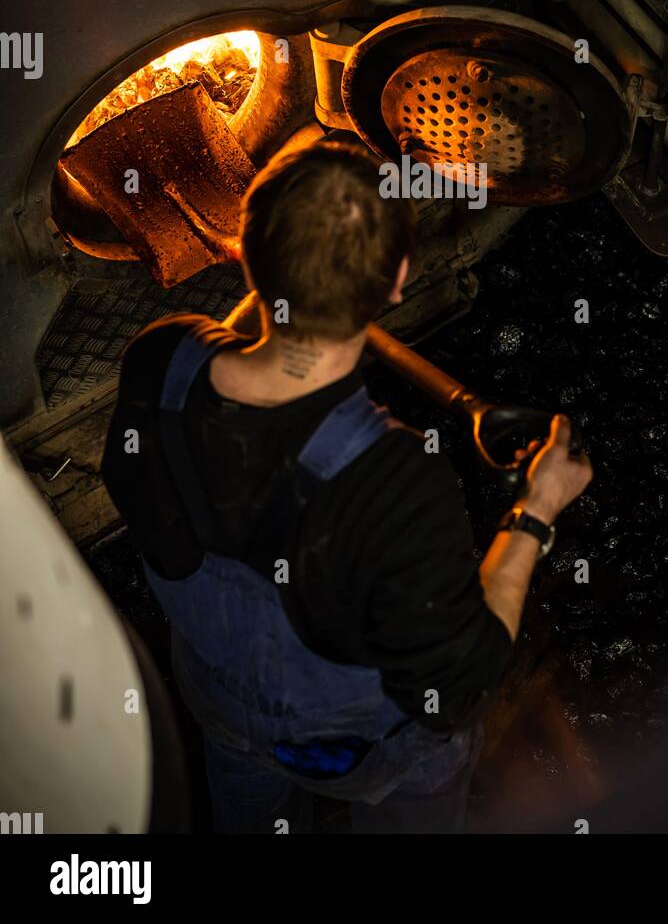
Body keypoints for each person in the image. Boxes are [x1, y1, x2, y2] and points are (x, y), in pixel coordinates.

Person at [102, 140, 593, 833]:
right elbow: (457, 683)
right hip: (359, 748)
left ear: (246, 253)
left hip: (219, 704)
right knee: (428, 775)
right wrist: (536, 510)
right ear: (397, 282)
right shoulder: (398, 484)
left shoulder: (160, 359)